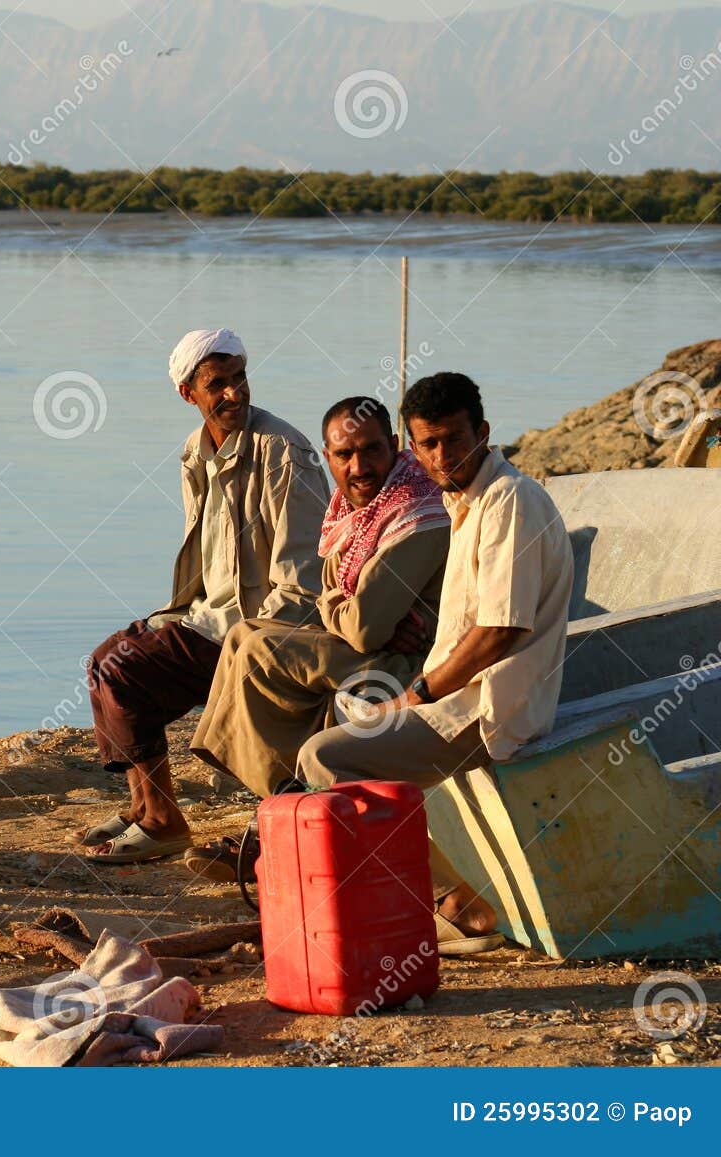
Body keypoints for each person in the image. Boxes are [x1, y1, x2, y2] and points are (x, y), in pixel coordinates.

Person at [296, 373, 573, 955]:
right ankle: (409, 891)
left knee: (324, 758)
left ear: (484, 433)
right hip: (458, 699)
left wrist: (416, 694)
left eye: (453, 439)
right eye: (428, 444)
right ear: (412, 447)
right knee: (347, 721)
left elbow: (500, 631)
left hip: (488, 710)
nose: (442, 455)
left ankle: (458, 906)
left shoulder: (510, 501)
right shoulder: (465, 502)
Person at [79, 327, 330, 864]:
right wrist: (173, 618)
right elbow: (207, 559)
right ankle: (145, 807)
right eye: (218, 384)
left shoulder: (283, 450)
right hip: (207, 617)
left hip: (260, 630)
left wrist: (249, 643)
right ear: (188, 393)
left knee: (123, 670)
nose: (234, 394)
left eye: (239, 379)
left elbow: (305, 577)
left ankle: (164, 822)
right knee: (105, 662)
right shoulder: (196, 452)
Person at [185, 395, 451, 879]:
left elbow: (365, 628)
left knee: (262, 653)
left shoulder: (413, 513)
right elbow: (352, 611)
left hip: (414, 664)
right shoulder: (352, 510)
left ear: (394, 447)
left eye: (371, 451)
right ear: (327, 458)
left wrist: (329, 599)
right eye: (344, 455)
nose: (359, 466)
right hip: (374, 647)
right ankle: (284, 812)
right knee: (244, 634)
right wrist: (338, 604)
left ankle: (284, 816)